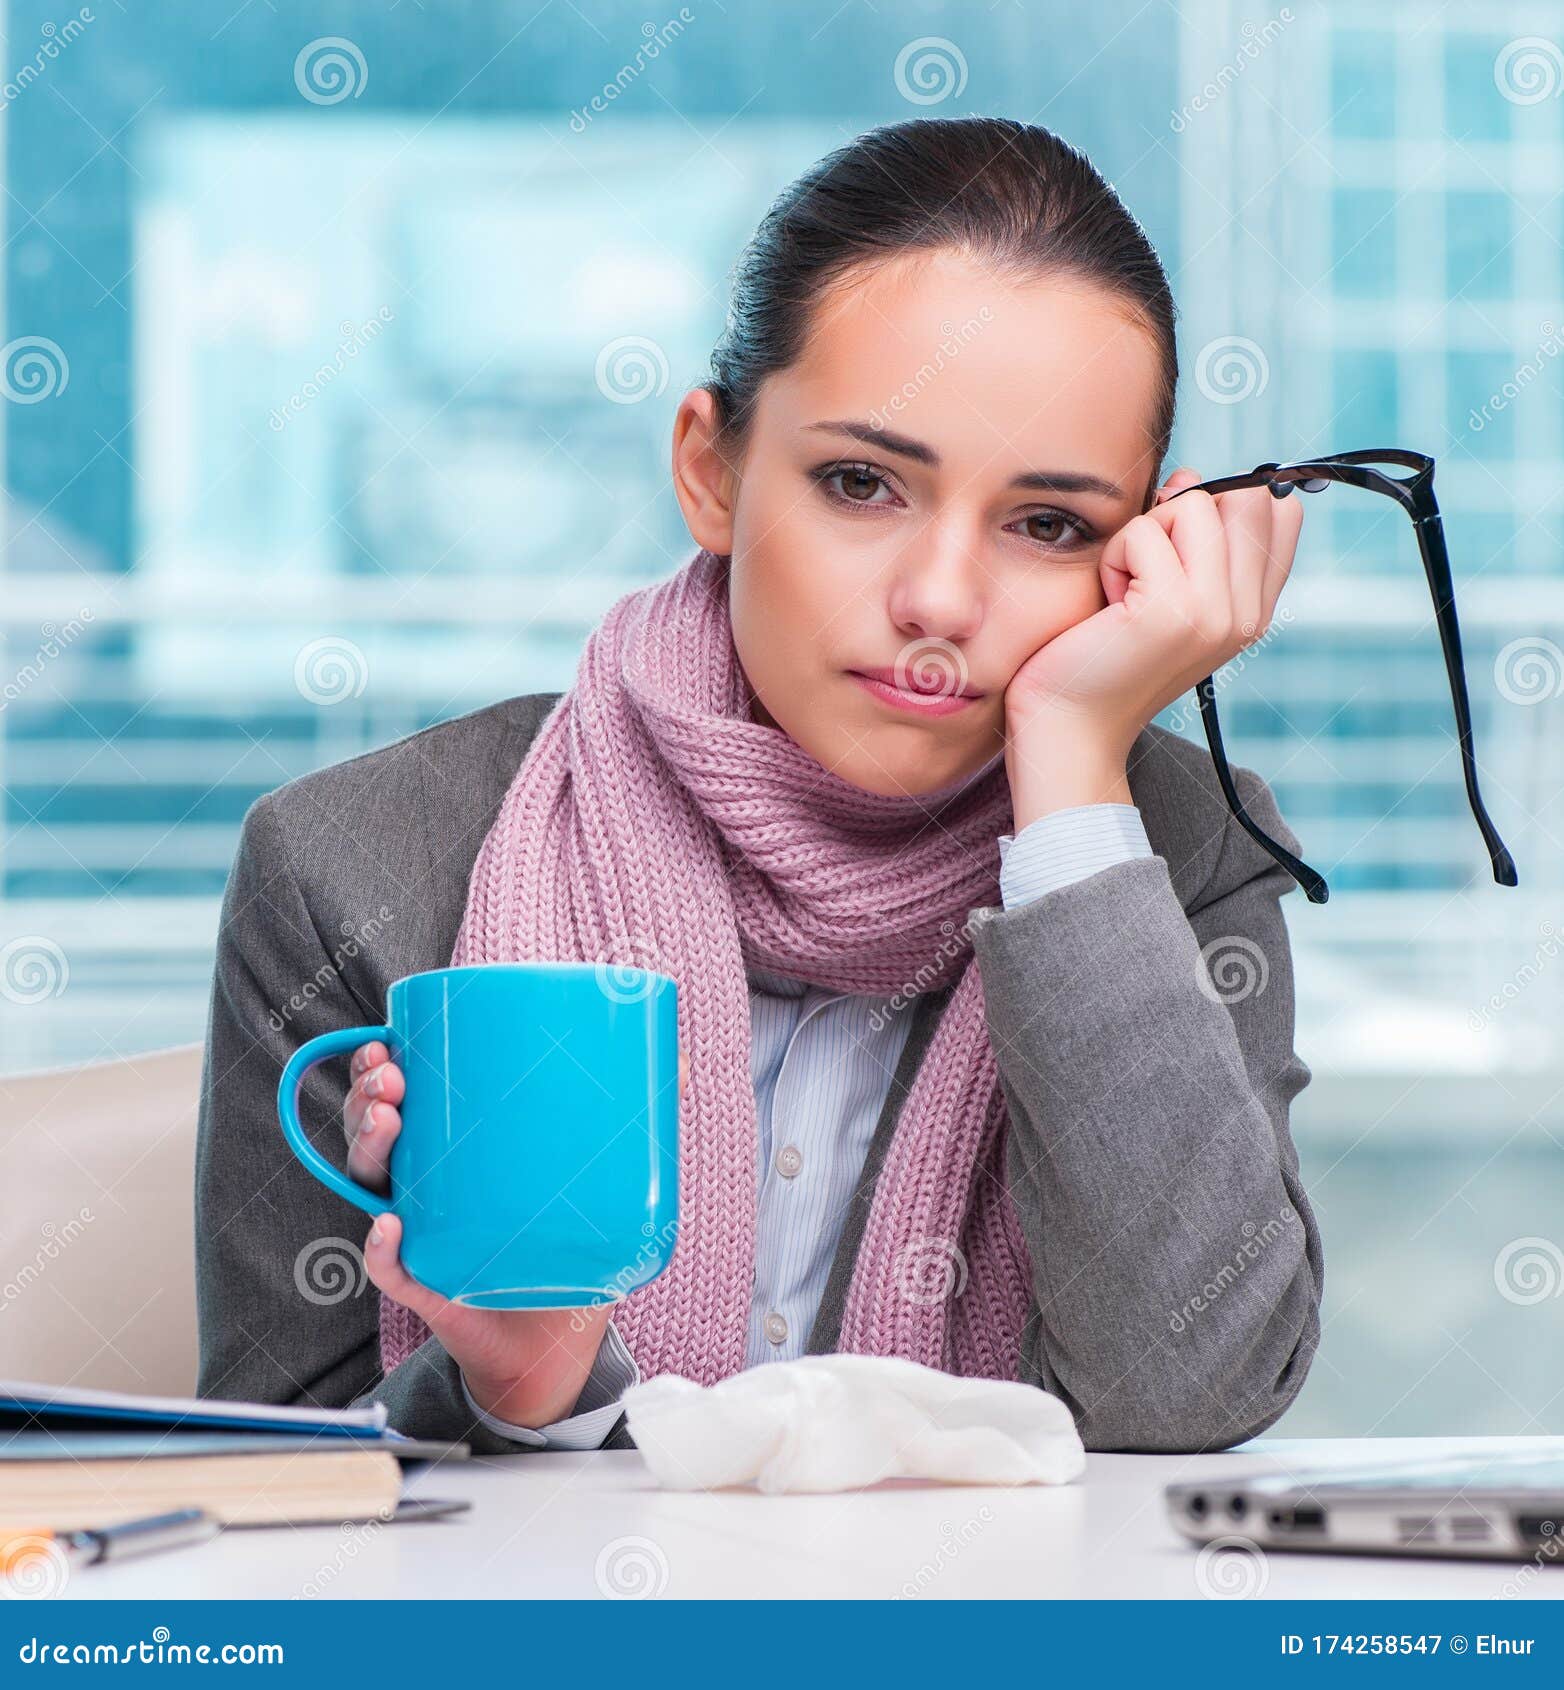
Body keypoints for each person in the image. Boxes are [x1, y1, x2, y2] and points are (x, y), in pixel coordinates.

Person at [195, 115, 1322, 1457]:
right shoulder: (352, 868)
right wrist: (525, 1389)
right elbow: (271, 1481)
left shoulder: (1177, 857)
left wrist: (1076, 772)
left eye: (1049, 524)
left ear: (1142, 549)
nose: (941, 599)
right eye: (862, 482)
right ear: (710, 469)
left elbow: (1186, 1392)